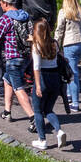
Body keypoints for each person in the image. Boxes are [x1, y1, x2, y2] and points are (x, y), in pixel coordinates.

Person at [0, 0, 35, 123]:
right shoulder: (25, 16)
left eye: (1, 2)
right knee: (7, 80)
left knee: (18, 88)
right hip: (27, 57)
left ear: (5, 3)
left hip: (13, 59)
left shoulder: (4, 19)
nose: (0, 5)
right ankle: (7, 112)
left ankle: (33, 118)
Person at [30, 19, 67, 150]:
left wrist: (38, 86)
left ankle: (42, 140)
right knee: (49, 110)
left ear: (38, 32)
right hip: (55, 79)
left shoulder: (37, 46)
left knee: (38, 111)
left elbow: (36, 67)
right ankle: (59, 131)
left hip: (43, 78)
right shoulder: (54, 44)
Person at [55, 0, 81, 112]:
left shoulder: (63, 12)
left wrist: (56, 45)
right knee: (72, 69)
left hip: (70, 44)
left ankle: (75, 102)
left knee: (72, 74)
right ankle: (70, 94)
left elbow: (59, 31)